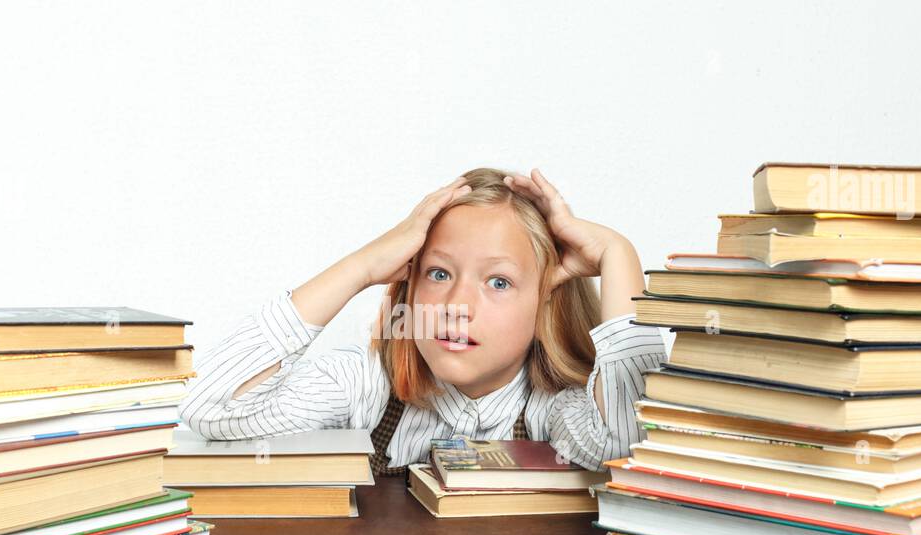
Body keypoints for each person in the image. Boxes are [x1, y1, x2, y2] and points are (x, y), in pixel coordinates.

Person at [179, 166, 666, 476]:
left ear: (544, 302)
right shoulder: (366, 384)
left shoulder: (553, 409)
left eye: (498, 282)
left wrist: (617, 254)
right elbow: (211, 408)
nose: (457, 304)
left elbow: (628, 440)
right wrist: (361, 267)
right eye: (438, 273)